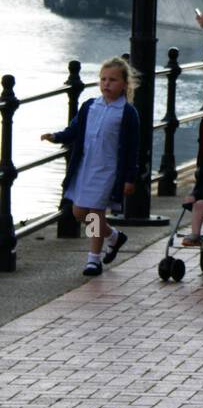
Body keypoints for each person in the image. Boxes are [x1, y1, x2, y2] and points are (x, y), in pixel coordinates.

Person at [41, 57, 139, 277]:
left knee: (95, 212)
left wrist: (130, 178)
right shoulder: (89, 106)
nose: (106, 84)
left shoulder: (127, 113)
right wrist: (56, 136)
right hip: (86, 167)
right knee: (78, 212)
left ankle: (93, 259)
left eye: (112, 80)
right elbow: (74, 130)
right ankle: (113, 236)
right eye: (103, 79)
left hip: (108, 170)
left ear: (124, 84)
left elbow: (133, 148)